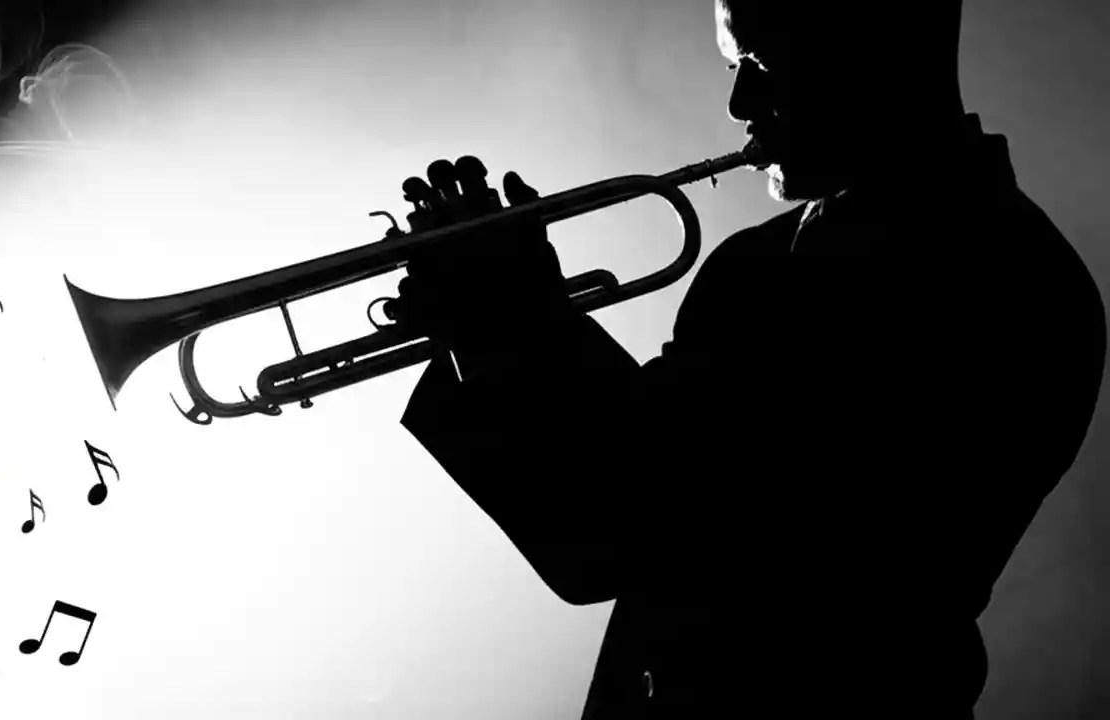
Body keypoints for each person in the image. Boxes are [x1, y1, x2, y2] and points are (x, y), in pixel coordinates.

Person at [390, 1, 1107, 717]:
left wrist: (506, 325)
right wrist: (485, 331)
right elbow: (603, 519)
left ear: (877, 55)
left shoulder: (998, 277)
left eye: (761, 65)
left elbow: (622, 530)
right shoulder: (757, 260)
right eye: (735, 67)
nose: (738, 102)